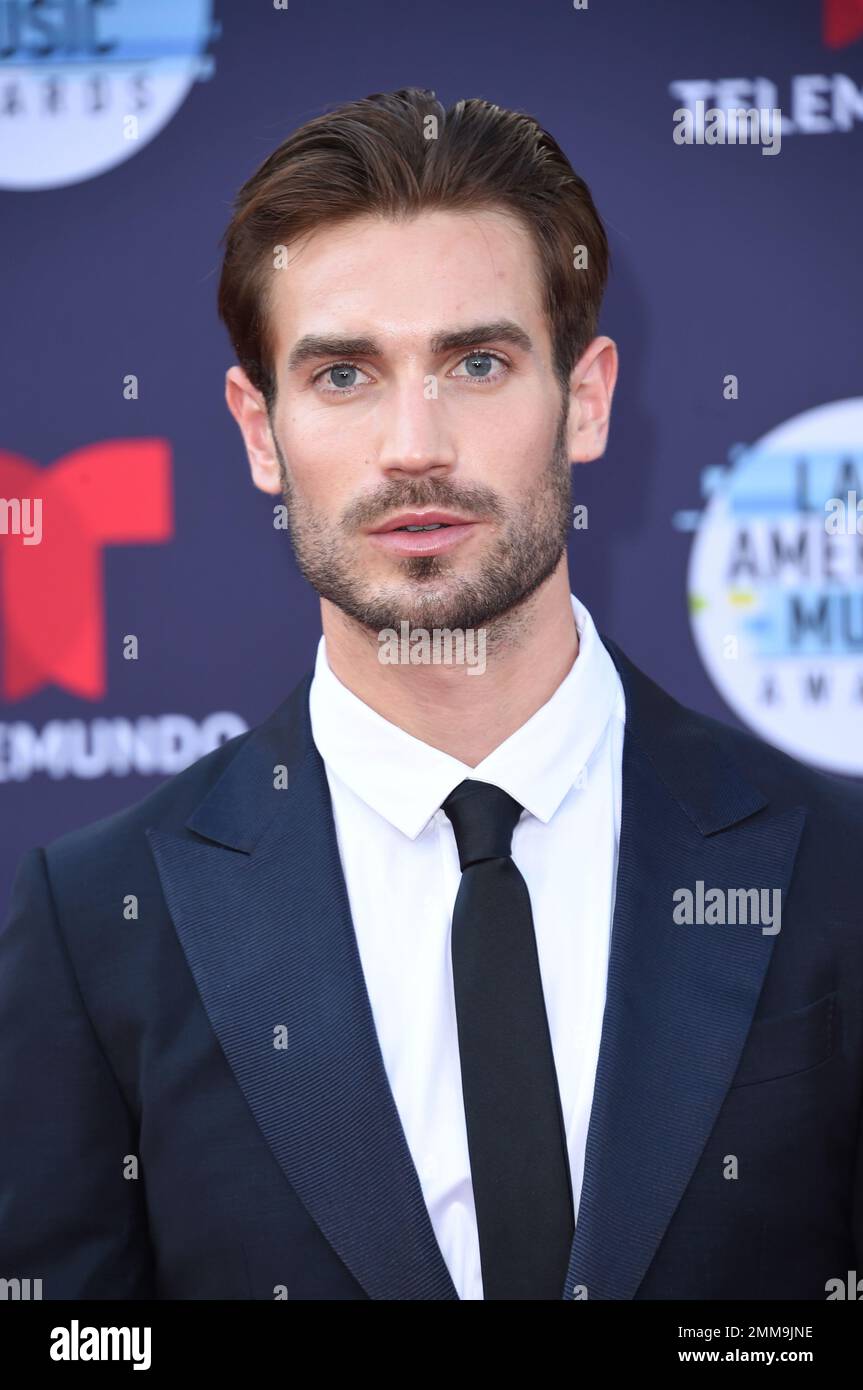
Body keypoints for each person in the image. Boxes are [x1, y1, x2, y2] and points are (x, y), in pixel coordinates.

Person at [1, 88, 861, 1302]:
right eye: (344, 373)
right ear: (260, 430)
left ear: (589, 396)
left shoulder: (836, 869)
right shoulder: (101, 923)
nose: (416, 442)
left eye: (475, 361)